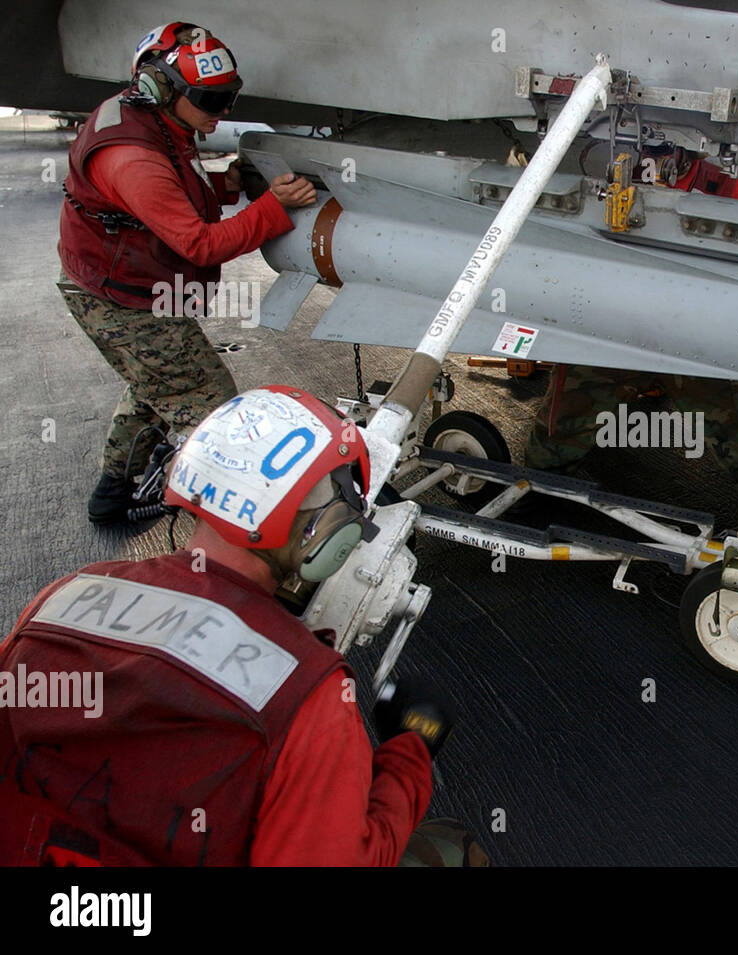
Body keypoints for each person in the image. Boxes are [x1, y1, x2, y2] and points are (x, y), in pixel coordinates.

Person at [0, 387, 447, 865]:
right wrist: (411, 752)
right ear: (326, 524)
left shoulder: (59, 600)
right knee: (449, 850)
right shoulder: (305, 693)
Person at [59, 21, 318, 525]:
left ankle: (112, 497)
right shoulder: (131, 155)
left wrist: (225, 185)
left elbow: (170, 197)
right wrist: (271, 207)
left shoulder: (160, 120)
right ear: (161, 87)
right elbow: (199, 244)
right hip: (119, 298)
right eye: (210, 101)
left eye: (229, 99)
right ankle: (242, 534)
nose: (221, 113)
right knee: (212, 407)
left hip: (128, 284)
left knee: (155, 388)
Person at [524, 143, 738, 487]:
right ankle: (540, 491)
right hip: (617, 330)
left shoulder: (734, 194)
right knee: (553, 446)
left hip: (700, 341)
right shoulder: (606, 189)